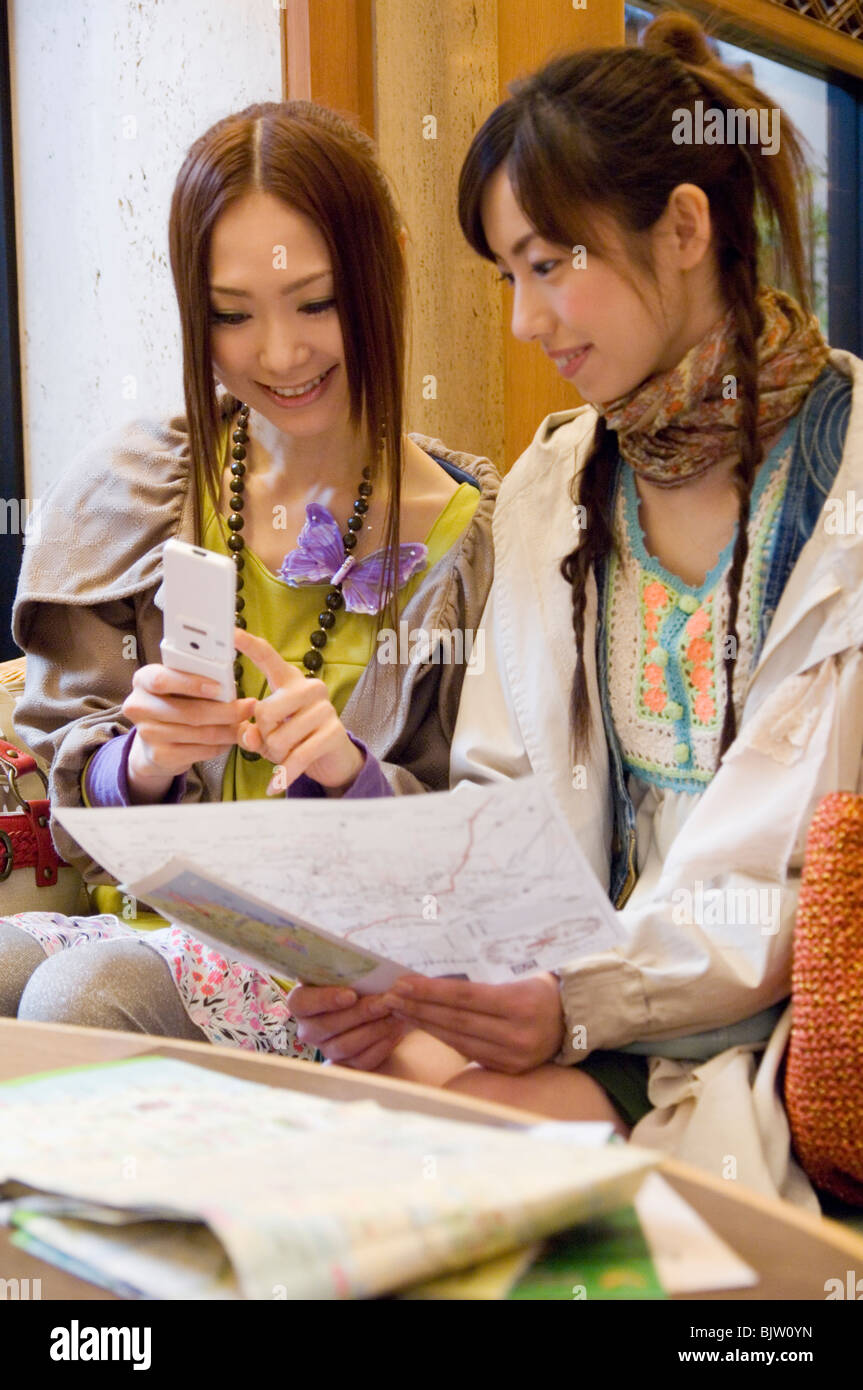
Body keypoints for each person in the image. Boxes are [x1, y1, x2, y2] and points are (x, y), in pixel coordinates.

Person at [288, 14, 863, 1206]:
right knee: (342, 1108)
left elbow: (778, 874)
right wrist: (414, 971)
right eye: (507, 276)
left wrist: (570, 1004)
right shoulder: (556, 481)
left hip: (764, 1033)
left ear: (688, 229)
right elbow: (507, 802)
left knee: (437, 1167)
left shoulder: (846, 472)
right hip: (590, 1007)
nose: (524, 322)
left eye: (550, 264)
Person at [0, 100, 497, 1054]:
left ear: (386, 264)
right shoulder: (137, 492)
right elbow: (71, 812)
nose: (280, 354)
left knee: (81, 1000)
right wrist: (145, 761)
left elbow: (477, 857)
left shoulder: (472, 547)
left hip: (342, 975)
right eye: (232, 316)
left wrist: (343, 774)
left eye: (315, 302)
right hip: (151, 933)